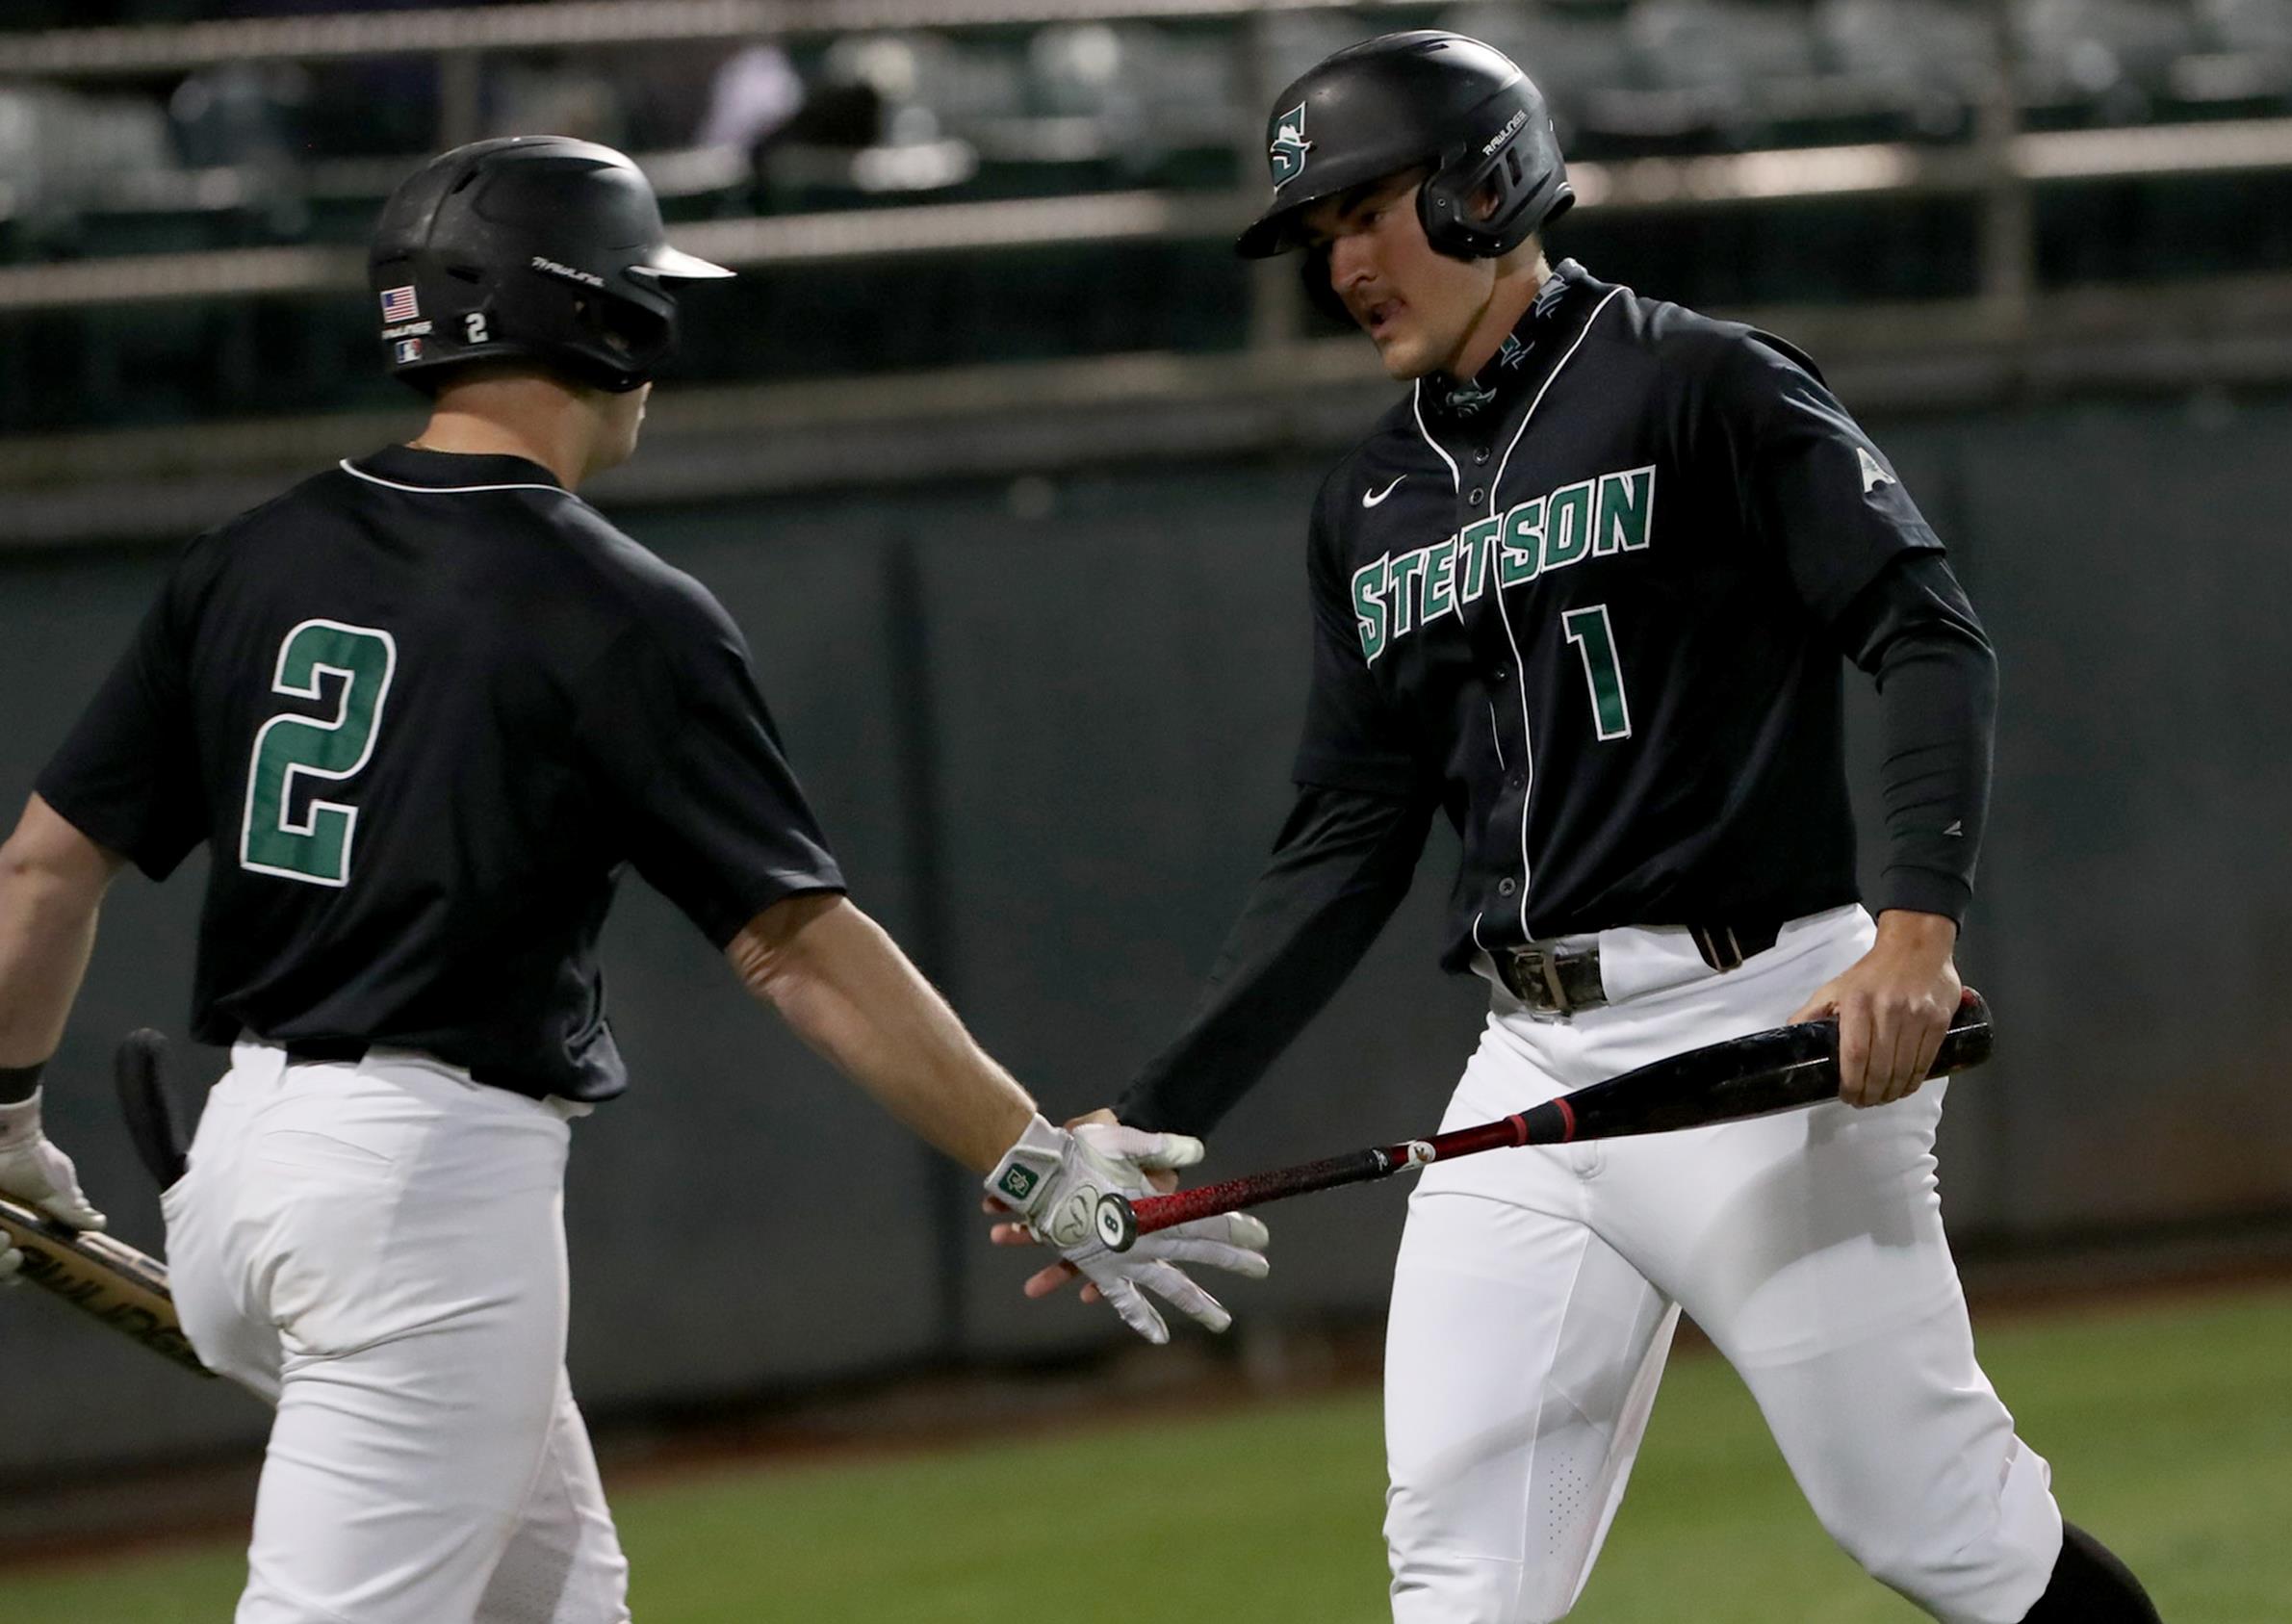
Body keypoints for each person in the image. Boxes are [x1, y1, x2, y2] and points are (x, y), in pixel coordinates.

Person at [0, 135, 1266, 1624]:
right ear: (606, 323)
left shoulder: (249, 558)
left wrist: (7, 1119)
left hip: (243, 1175)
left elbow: (40, 867)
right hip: (421, 1210)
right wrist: (1034, 1159)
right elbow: (798, 948)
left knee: (563, 1610)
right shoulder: (616, 607)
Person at [997, 32, 2165, 1624]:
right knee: (1459, 1577)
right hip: (1533, 1067)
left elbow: (1929, 633)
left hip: (1763, 1032)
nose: (1342, 265)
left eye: (1367, 212)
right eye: (1317, 236)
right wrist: (1149, 1112)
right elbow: (1348, 837)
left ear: (1487, 184)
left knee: (1935, 1528)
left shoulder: (1696, 377)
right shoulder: (1368, 500)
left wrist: (1914, 931)